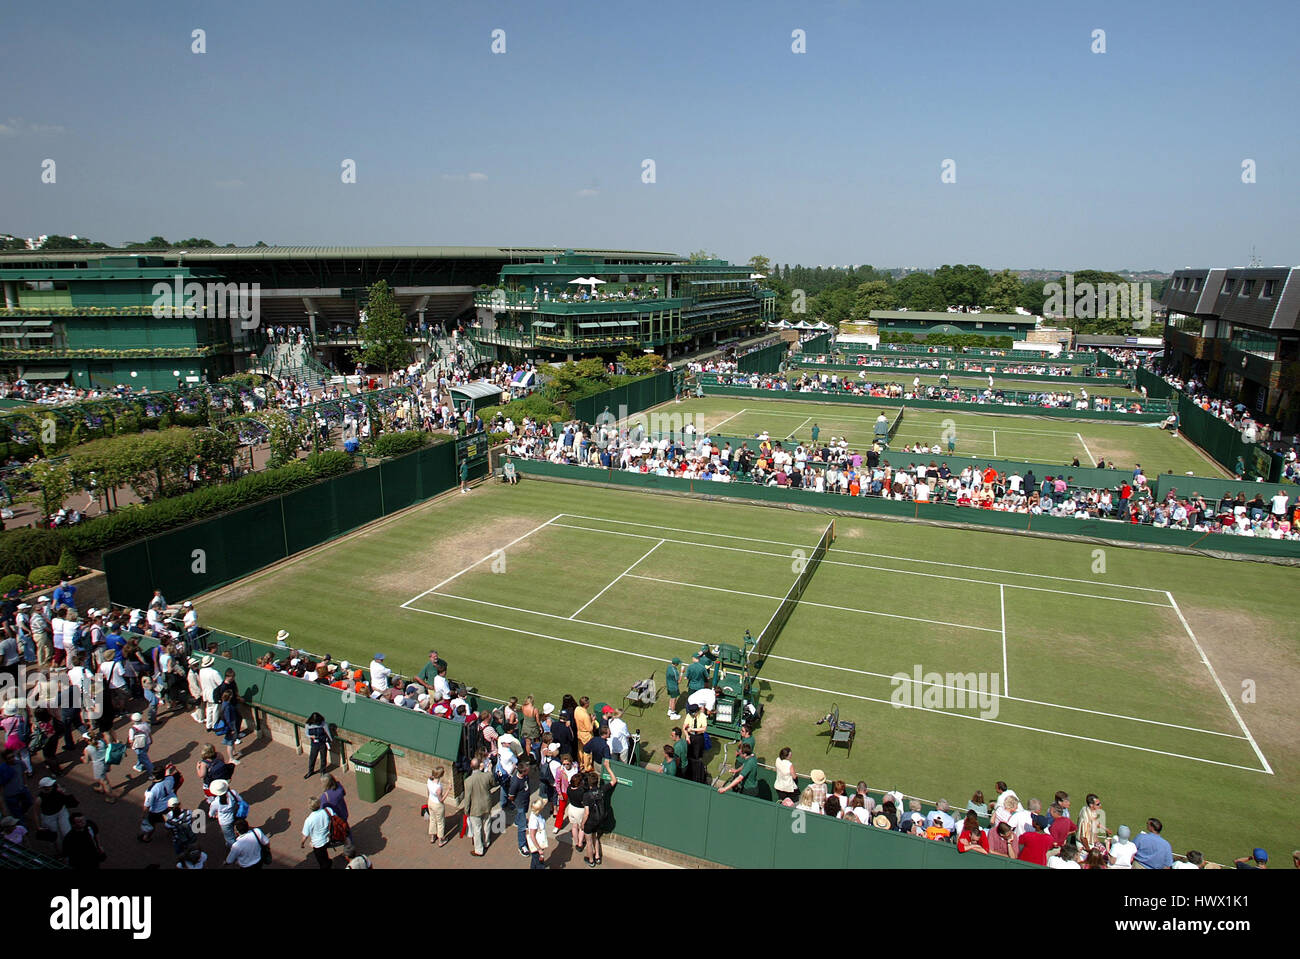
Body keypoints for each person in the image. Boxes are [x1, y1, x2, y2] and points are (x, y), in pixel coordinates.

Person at [581, 771, 613, 868]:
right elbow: (614, 781)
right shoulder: (602, 790)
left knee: (589, 842)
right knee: (596, 838)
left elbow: (586, 813)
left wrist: (583, 823)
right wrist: (608, 768)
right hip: (599, 820)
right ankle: (598, 857)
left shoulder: (586, 795)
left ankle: (591, 860)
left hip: (590, 821)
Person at [464, 755, 494, 857]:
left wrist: (466, 810)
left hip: (475, 808)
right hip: (486, 804)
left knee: (477, 829)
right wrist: (489, 771)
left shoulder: (468, 781)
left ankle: (479, 849)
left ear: (471, 766)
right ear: (479, 766)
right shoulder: (487, 775)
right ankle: (487, 842)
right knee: (487, 824)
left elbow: (467, 798)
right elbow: (493, 784)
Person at [207, 779, 244, 847]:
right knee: (234, 829)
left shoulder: (215, 803)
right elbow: (240, 801)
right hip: (235, 815)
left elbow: (211, 814)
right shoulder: (233, 793)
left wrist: (216, 815)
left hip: (224, 822)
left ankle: (235, 848)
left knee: (229, 838)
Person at [301, 796, 333, 869]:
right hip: (327, 838)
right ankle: (328, 862)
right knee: (324, 854)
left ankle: (328, 864)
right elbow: (333, 816)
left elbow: (305, 835)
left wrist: (302, 843)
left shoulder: (309, 820)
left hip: (318, 844)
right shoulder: (327, 811)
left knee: (322, 861)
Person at [525, 795, 549, 870]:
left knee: (535, 860)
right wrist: (539, 849)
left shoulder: (536, 814)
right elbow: (532, 835)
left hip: (538, 843)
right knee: (540, 864)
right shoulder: (534, 820)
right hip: (537, 845)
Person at [427, 766, 449, 847]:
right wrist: (448, 790)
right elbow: (441, 800)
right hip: (438, 805)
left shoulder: (429, 780)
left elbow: (428, 791)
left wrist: (429, 799)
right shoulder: (438, 787)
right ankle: (441, 840)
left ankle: (432, 837)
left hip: (430, 801)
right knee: (440, 822)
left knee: (432, 819)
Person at [305, 712, 332, 778]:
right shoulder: (308, 724)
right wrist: (311, 736)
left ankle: (323, 771)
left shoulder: (323, 723)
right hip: (314, 743)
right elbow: (306, 734)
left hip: (322, 742)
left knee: (323, 758)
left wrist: (330, 740)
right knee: (312, 758)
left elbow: (328, 732)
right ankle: (310, 771)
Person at [665, 656, 683, 720]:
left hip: (669, 685)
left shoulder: (669, 667)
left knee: (671, 698)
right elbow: (679, 681)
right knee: (674, 700)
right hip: (674, 687)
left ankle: (670, 710)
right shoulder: (674, 671)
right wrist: (681, 673)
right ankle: (672, 714)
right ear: (676, 664)